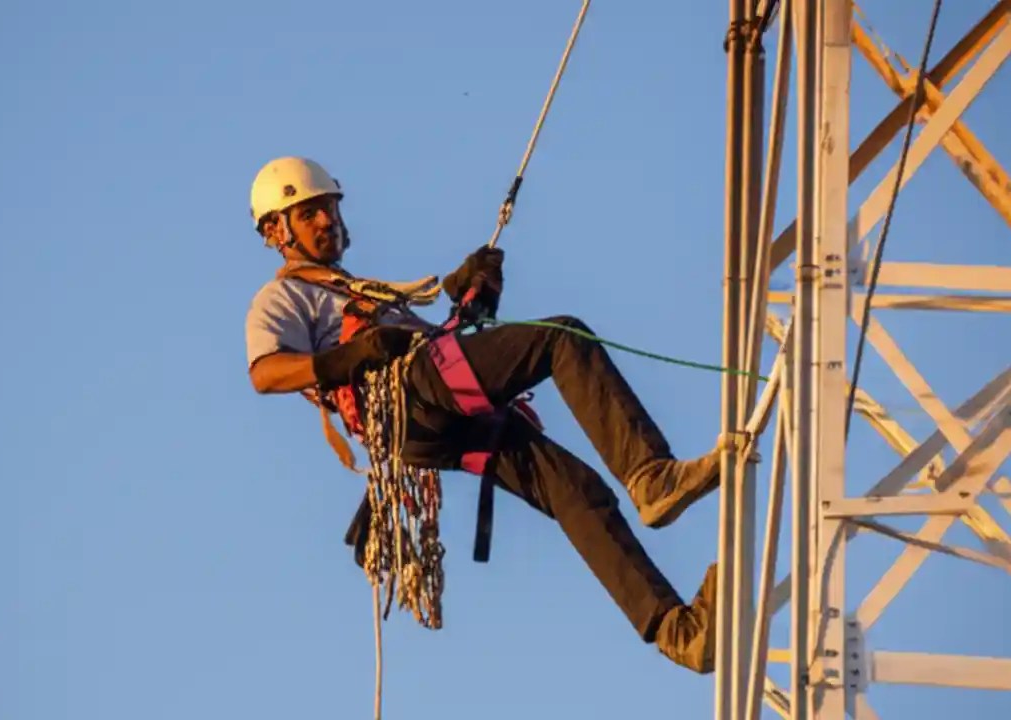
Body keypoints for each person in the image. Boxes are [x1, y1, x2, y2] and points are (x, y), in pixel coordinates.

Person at [242, 156, 722, 673]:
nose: (325, 221)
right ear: (276, 230)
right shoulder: (283, 297)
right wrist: (347, 359)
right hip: (411, 398)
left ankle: (680, 632)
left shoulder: (360, 291)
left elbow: (448, 350)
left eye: (329, 208)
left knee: (576, 491)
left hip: (432, 414)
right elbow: (265, 373)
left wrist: (470, 299)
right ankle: (650, 476)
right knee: (560, 339)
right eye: (309, 212)